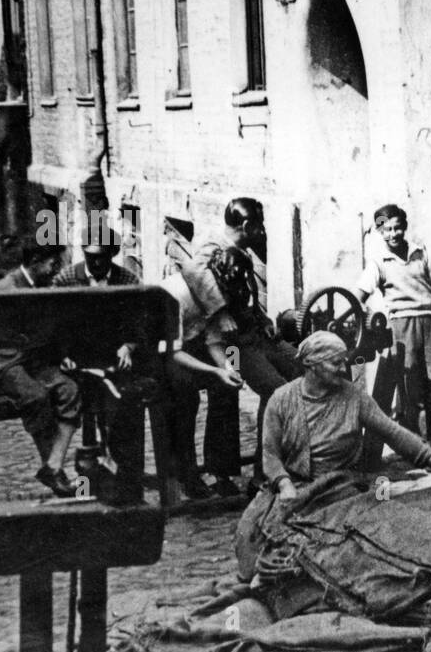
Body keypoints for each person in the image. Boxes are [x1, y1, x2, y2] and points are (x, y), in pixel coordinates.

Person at [263, 331, 431, 510]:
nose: (344, 368)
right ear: (311, 364)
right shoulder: (281, 399)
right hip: (296, 489)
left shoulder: (354, 397)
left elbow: (393, 433)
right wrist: (284, 485)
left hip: (342, 488)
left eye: (345, 361)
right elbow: (270, 454)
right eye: (336, 362)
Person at [189, 198, 302, 492]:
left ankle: (281, 463)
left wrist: (262, 316)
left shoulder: (243, 252)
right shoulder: (211, 246)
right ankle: (248, 474)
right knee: (245, 391)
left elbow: (247, 293)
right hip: (228, 344)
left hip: (255, 334)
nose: (262, 232)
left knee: (301, 368)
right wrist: (222, 311)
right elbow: (194, 272)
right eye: (260, 226)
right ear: (248, 226)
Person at [51, 238, 146, 504]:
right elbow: (55, 324)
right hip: (78, 361)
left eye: (101, 257)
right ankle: (84, 481)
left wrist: (129, 346)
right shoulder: (65, 280)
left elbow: (139, 321)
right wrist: (64, 354)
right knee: (76, 408)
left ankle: (125, 481)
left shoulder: (128, 280)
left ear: (113, 254)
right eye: (89, 256)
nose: (95, 263)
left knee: (123, 408)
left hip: (113, 359)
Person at [353, 203, 431, 440]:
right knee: (413, 391)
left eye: (397, 228)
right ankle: (423, 446)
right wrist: (370, 320)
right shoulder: (378, 263)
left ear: (405, 227)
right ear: (380, 233)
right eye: (386, 230)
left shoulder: (422, 253)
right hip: (402, 325)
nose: (393, 234)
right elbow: (357, 297)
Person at [0, 242, 81, 497]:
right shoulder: (9, 288)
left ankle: (53, 465)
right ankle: (53, 470)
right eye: (53, 263)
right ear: (37, 261)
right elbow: (7, 336)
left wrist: (62, 355)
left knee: (69, 388)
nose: (56, 269)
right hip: (5, 362)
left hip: (33, 360)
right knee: (36, 396)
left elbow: (50, 328)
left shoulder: (41, 286)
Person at [160, 256, 247, 499]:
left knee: (226, 387)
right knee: (185, 392)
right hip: (163, 353)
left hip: (191, 345)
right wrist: (215, 371)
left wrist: (228, 369)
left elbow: (214, 342)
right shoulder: (174, 295)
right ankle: (186, 474)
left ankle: (221, 470)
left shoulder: (216, 297)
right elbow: (173, 353)